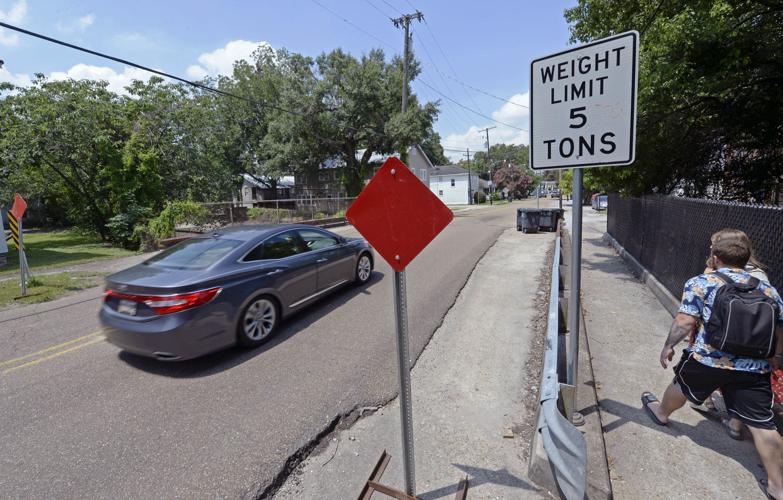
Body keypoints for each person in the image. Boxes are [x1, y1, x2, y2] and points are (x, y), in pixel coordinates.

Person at [641, 234, 783, 499]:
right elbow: (779, 327)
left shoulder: (702, 282)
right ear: (745, 259)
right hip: (753, 366)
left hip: (709, 358)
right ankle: (778, 486)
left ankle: (661, 413)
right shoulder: (768, 290)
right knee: (764, 425)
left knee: (681, 386)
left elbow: (685, 321)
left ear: (716, 259)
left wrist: (668, 345)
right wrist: (774, 355)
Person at [701, 229, 779, 440]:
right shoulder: (758, 275)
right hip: (748, 340)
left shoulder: (719, 273)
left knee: (711, 371)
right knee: (741, 384)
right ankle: (734, 423)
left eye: (714, 245)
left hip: (728, 339)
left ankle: (715, 405)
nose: (710, 249)